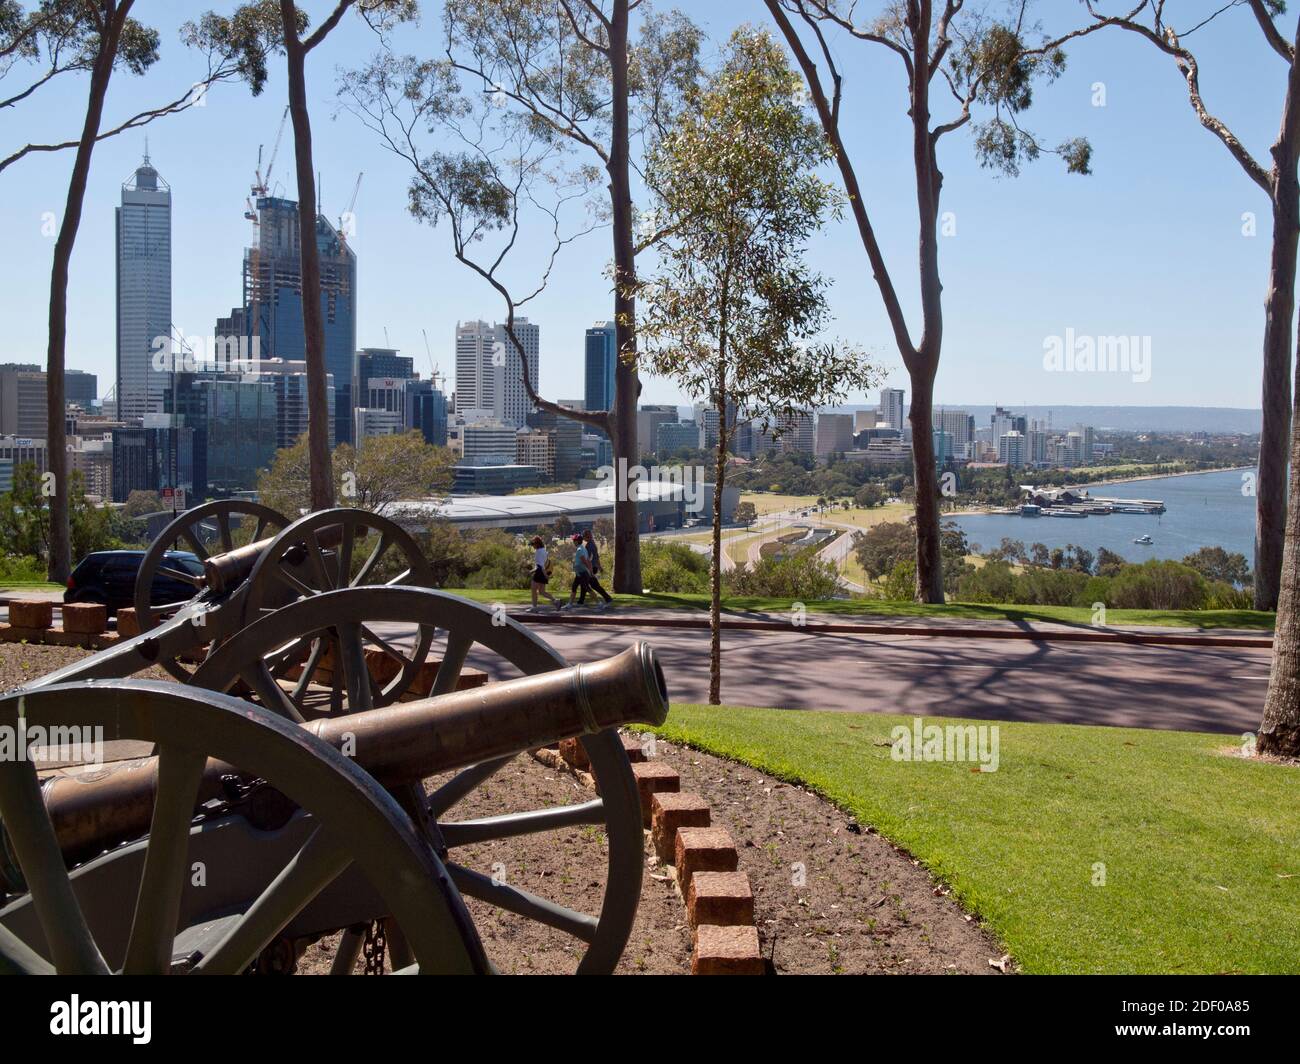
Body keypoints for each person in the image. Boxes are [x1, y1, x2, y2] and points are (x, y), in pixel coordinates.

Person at [581, 528, 613, 608]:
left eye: (583, 537)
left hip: (590, 568)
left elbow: (588, 558)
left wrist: (589, 568)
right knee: (587, 584)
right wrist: (599, 567)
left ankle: (607, 598)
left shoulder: (589, 545)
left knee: (591, 585)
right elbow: (596, 557)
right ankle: (581, 601)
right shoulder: (593, 544)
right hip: (593, 567)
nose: (583, 538)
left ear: (586, 537)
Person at [528, 536, 560, 611]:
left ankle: (534, 607)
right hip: (542, 571)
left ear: (537, 544)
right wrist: (532, 571)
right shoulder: (543, 550)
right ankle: (556, 601)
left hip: (540, 572)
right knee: (542, 592)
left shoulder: (538, 552)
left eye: (533, 544)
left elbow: (541, 566)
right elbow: (540, 564)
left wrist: (545, 575)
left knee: (533, 590)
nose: (532, 546)